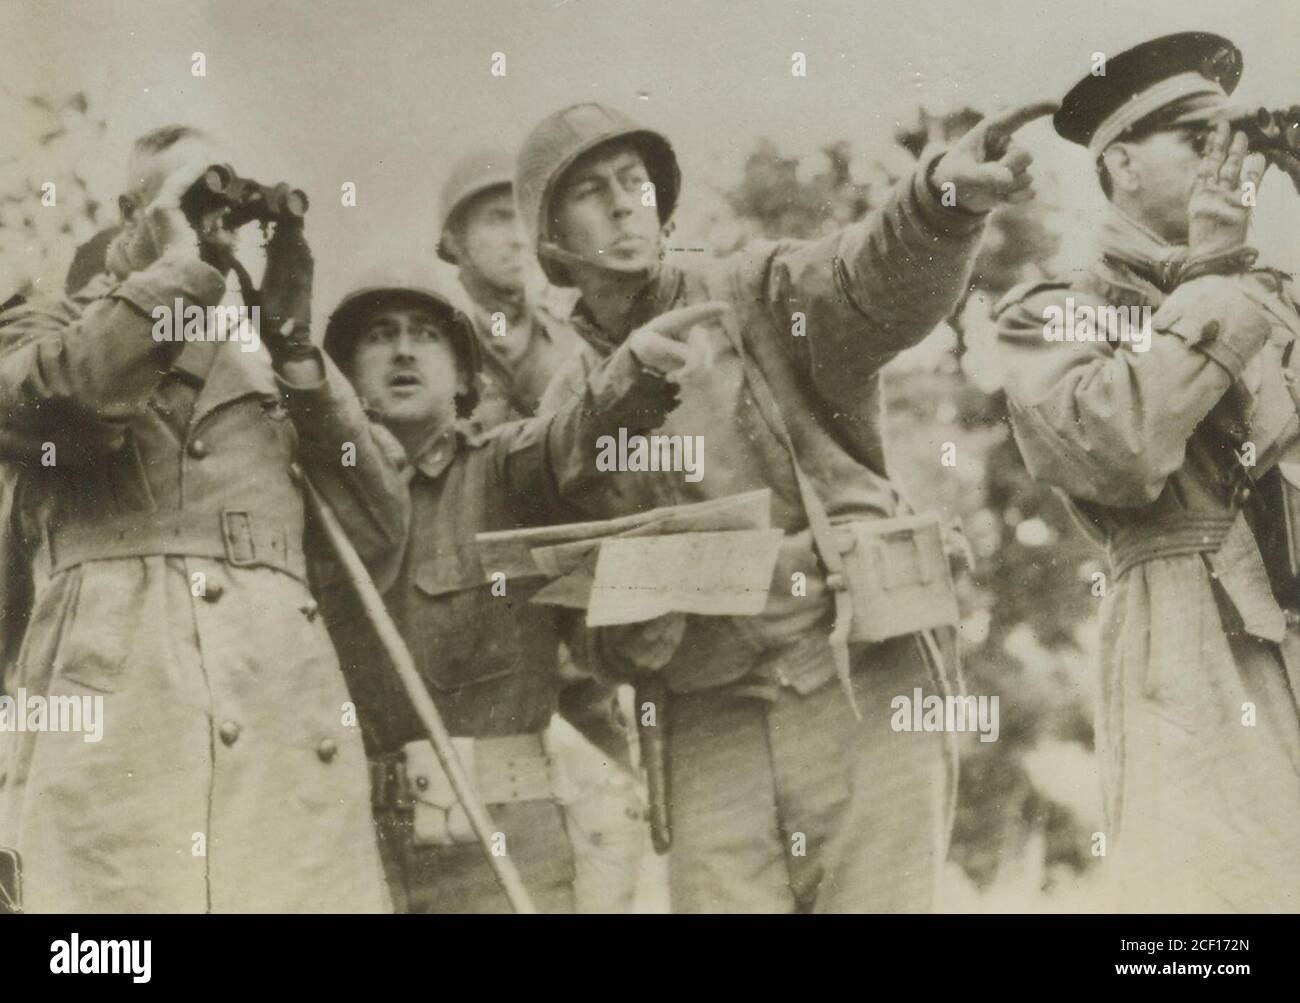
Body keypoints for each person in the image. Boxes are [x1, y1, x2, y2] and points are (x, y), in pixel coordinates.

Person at [519, 99, 1051, 912]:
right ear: (553, 239)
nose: (625, 204)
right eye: (592, 191)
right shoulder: (566, 412)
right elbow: (576, 607)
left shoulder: (755, 291)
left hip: (854, 671)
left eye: (635, 181)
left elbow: (863, 278)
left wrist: (941, 201)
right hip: (706, 715)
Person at [0, 125, 406, 913]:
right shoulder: (41, 328)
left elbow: (379, 532)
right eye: (187, 203)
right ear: (131, 215)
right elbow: (76, 401)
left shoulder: (269, 365)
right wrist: (177, 271)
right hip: (123, 715)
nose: (215, 227)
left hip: (281, 703)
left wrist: (293, 347)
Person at [995, 32, 1300, 911]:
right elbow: (1119, 451)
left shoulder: (1274, 290)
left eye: (1234, 138)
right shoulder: (1055, 308)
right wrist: (1214, 275)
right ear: (1122, 163)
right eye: (1198, 138)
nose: (1227, 159)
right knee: (1212, 915)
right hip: (1189, 629)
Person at [320, 265, 694, 913]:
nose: (403, 350)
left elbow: (572, 436)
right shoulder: (318, 502)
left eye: (425, 334)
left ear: (465, 377)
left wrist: (634, 375)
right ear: (348, 376)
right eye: (380, 335)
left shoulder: (506, 468)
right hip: (356, 852)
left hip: (502, 848)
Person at [436, 147, 582, 429]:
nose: (519, 239)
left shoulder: (569, 334)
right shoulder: (434, 337)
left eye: (524, 219)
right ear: (453, 239)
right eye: (497, 219)